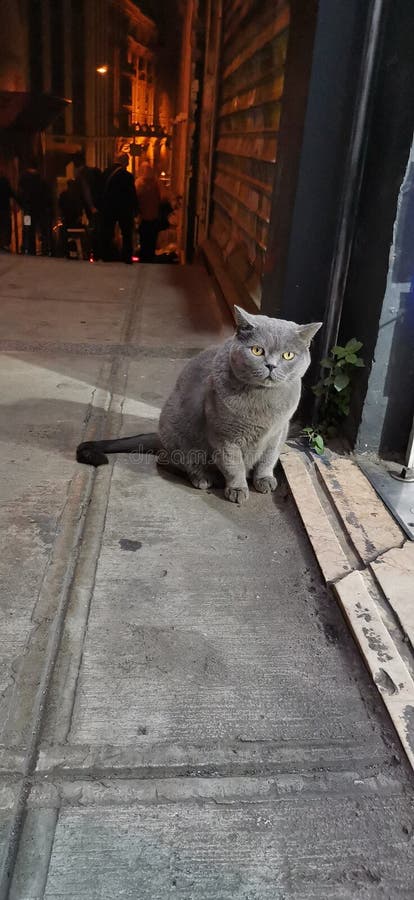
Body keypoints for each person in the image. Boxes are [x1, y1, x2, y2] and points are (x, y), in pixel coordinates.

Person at [101, 153, 138, 264]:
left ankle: (107, 255)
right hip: (124, 209)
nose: (128, 163)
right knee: (126, 233)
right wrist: (135, 209)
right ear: (124, 161)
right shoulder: (127, 176)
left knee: (108, 231)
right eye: (127, 161)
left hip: (108, 208)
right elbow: (132, 194)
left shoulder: (105, 173)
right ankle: (126, 256)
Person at [73, 152, 103, 259]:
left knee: (92, 230)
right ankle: (100, 253)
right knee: (98, 229)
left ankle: (94, 253)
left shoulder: (82, 175)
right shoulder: (94, 171)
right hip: (100, 206)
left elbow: (86, 191)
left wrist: (90, 207)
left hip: (92, 208)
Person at [18, 163, 53, 256]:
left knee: (27, 228)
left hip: (27, 209)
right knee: (42, 228)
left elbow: (20, 193)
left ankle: (27, 248)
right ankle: (46, 248)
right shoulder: (41, 180)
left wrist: (22, 204)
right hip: (40, 209)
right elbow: (47, 195)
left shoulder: (24, 179)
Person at [135, 162, 161, 263]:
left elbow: (135, 199)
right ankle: (150, 258)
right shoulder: (155, 183)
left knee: (144, 241)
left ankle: (145, 259)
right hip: (152, 217)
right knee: (151, 241)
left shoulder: (138, 184)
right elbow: (160, 198)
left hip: (144, 218)